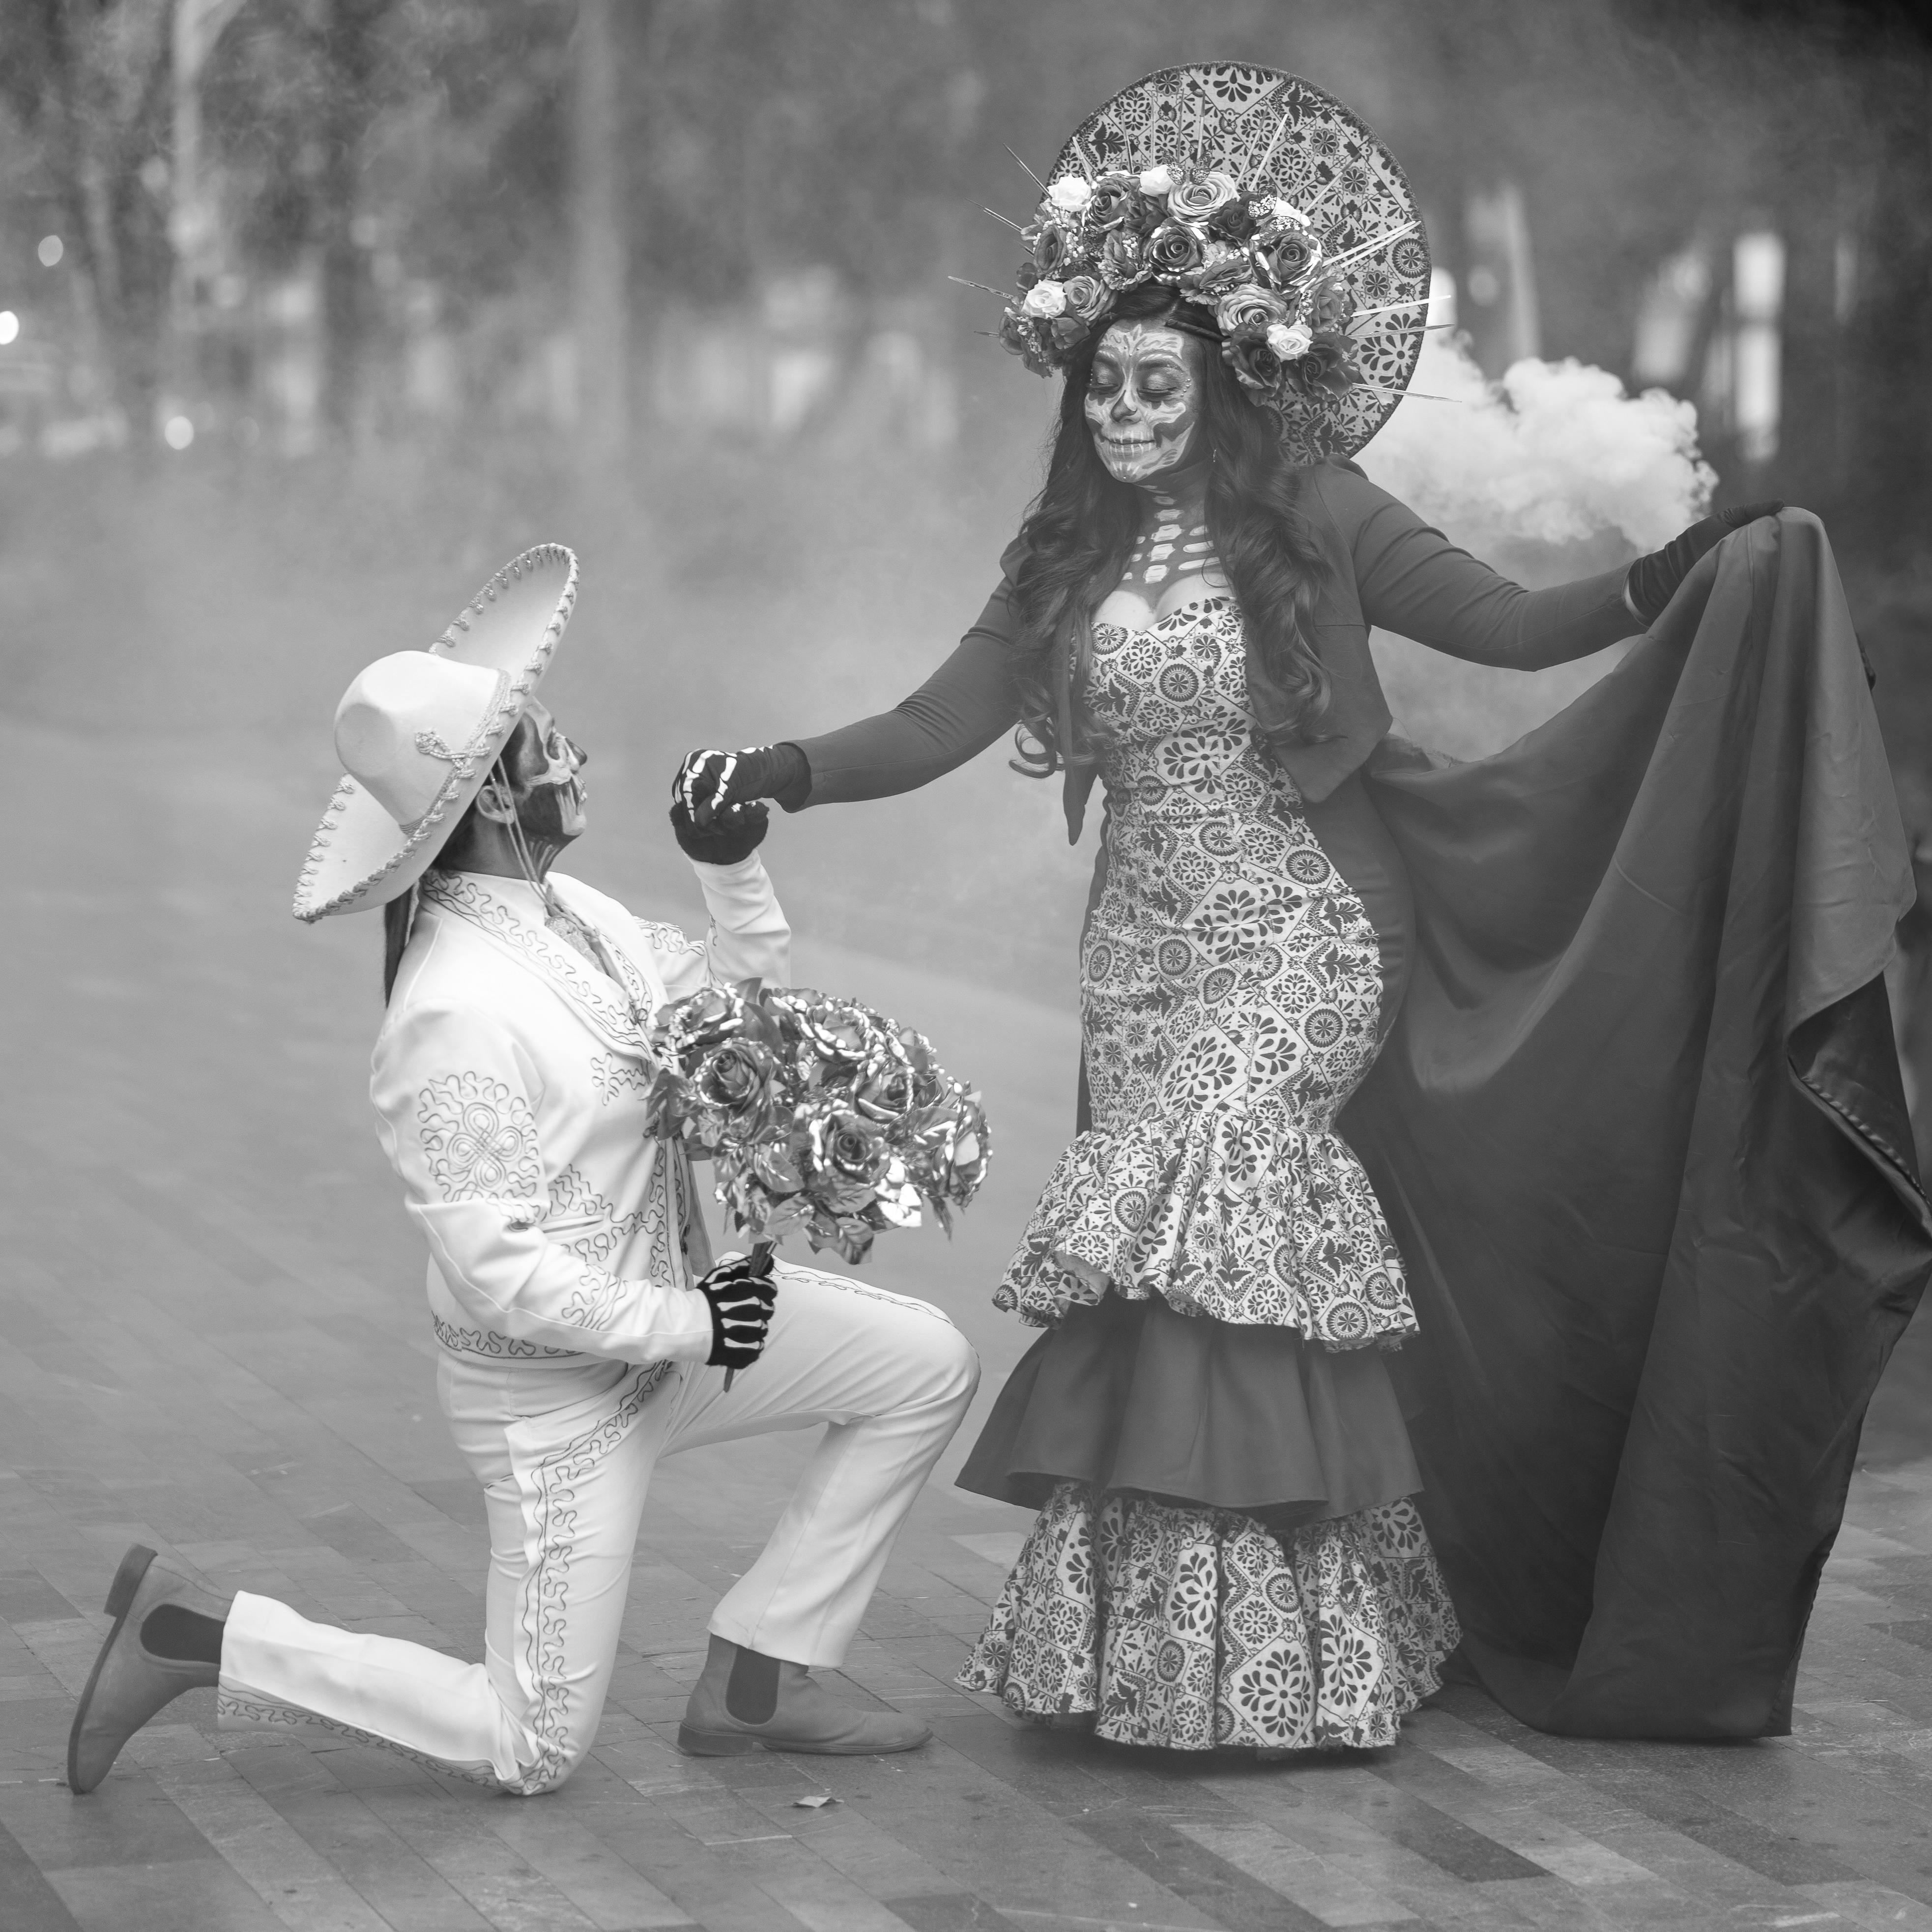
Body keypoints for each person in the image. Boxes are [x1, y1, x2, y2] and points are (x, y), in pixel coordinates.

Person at [673, 64, 1930, 1748]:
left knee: (1224, 1206)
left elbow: (1507, 625)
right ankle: (1171, 1659)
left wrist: (1684, 568)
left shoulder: (1324, 519)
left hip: (1307, 935)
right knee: (1170, 1275)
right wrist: (776, 770)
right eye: (1101, 385)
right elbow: (934, 722)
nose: (1121, 412)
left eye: (1154, 384)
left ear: (1221, 388)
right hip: (1141, 955)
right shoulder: (1063, 557)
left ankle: (1269, 1670)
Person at [66, 545, 978, 1797]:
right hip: (554, 1402)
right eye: (547, 741)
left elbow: (737, 1015)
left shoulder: (580, 917)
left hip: (676, 1337)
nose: (575, 756)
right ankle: (199, 1635)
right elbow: (498, 1275)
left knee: (924, 1363)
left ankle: (764, 1671)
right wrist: (690, 1320)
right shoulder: (450, 1012)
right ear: (495, 799)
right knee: (530, 1747)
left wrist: (728, 860)